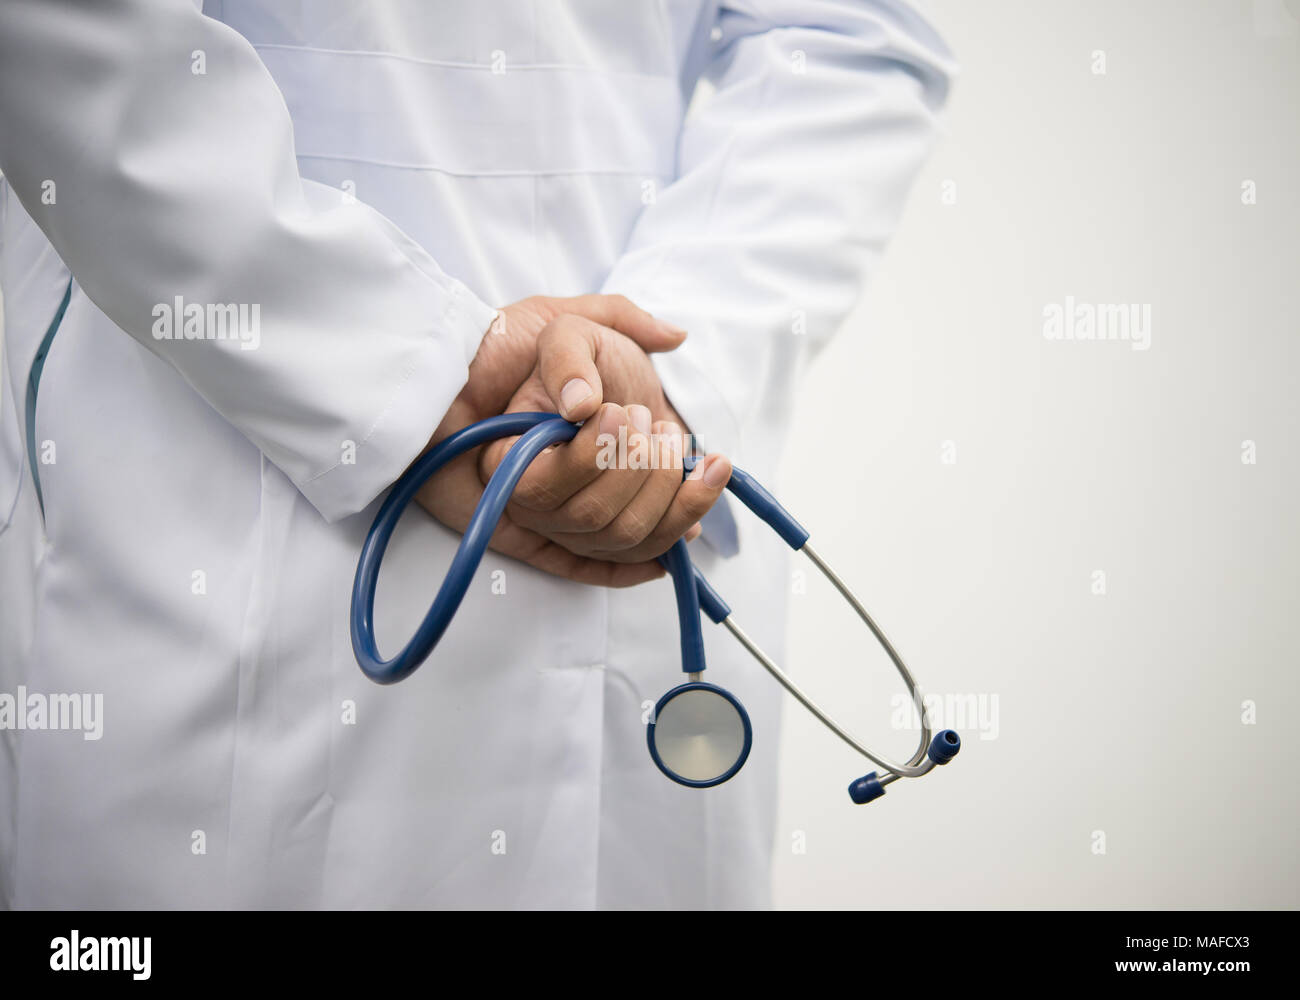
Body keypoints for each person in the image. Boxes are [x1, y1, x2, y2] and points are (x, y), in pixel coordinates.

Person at [0, 0, 954, 908]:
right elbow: (67, 42)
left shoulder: (651, 406)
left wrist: (666, 378)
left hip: (650, 488)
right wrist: (412, 374)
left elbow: (848, 38)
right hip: (241, 473)